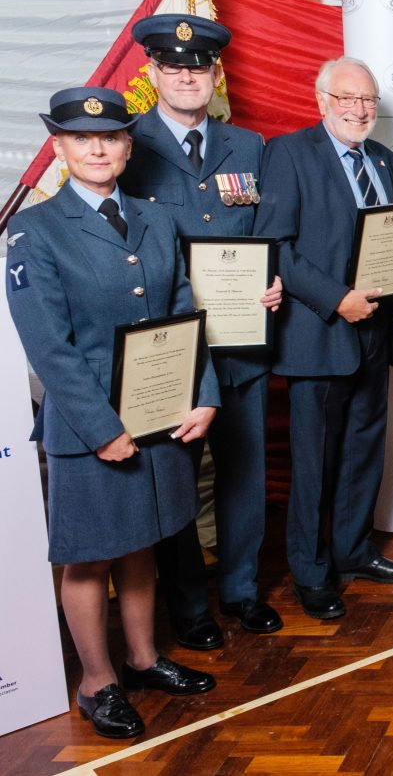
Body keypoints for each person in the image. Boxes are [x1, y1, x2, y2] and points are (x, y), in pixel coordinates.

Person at [7, 87, 220, 738]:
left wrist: (205, 392)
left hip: (159, 414)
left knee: (143, 546)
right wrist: (103, 430)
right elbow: (48, 346)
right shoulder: (35, 232)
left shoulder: (156, 221)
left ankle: (144, 658)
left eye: (110, 137)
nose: (97, 147)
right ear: (61, 147)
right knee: (89, 558)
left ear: (128, 148)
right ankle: (96, 683)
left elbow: (185, 313)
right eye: (81, 138)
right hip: (89, 428)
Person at [118, 14, 285, 645]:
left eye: (199, 67)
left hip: (240, 346)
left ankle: (240, 590)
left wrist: (274, 282)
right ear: (154, 72)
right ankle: (189, 606)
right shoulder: (127, 146)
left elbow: (265, 235)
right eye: (174, 66)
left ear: (215, 75)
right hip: (170, 353)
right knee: (176, 481)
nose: (188, 76)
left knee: (244, 472)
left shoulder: (249, 147)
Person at [254, 56, 393, 619]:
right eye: (348, 99)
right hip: (320, 332)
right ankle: (311, 571)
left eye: (368, 100)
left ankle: (354, 551)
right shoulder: (288, 153)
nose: (359, 110)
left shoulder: (383, 159)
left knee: (363, 449)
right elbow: (277, 244)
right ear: (321, 101)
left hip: (376, 328)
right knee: (314, 461)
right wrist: (337, 299)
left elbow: (381, 244)